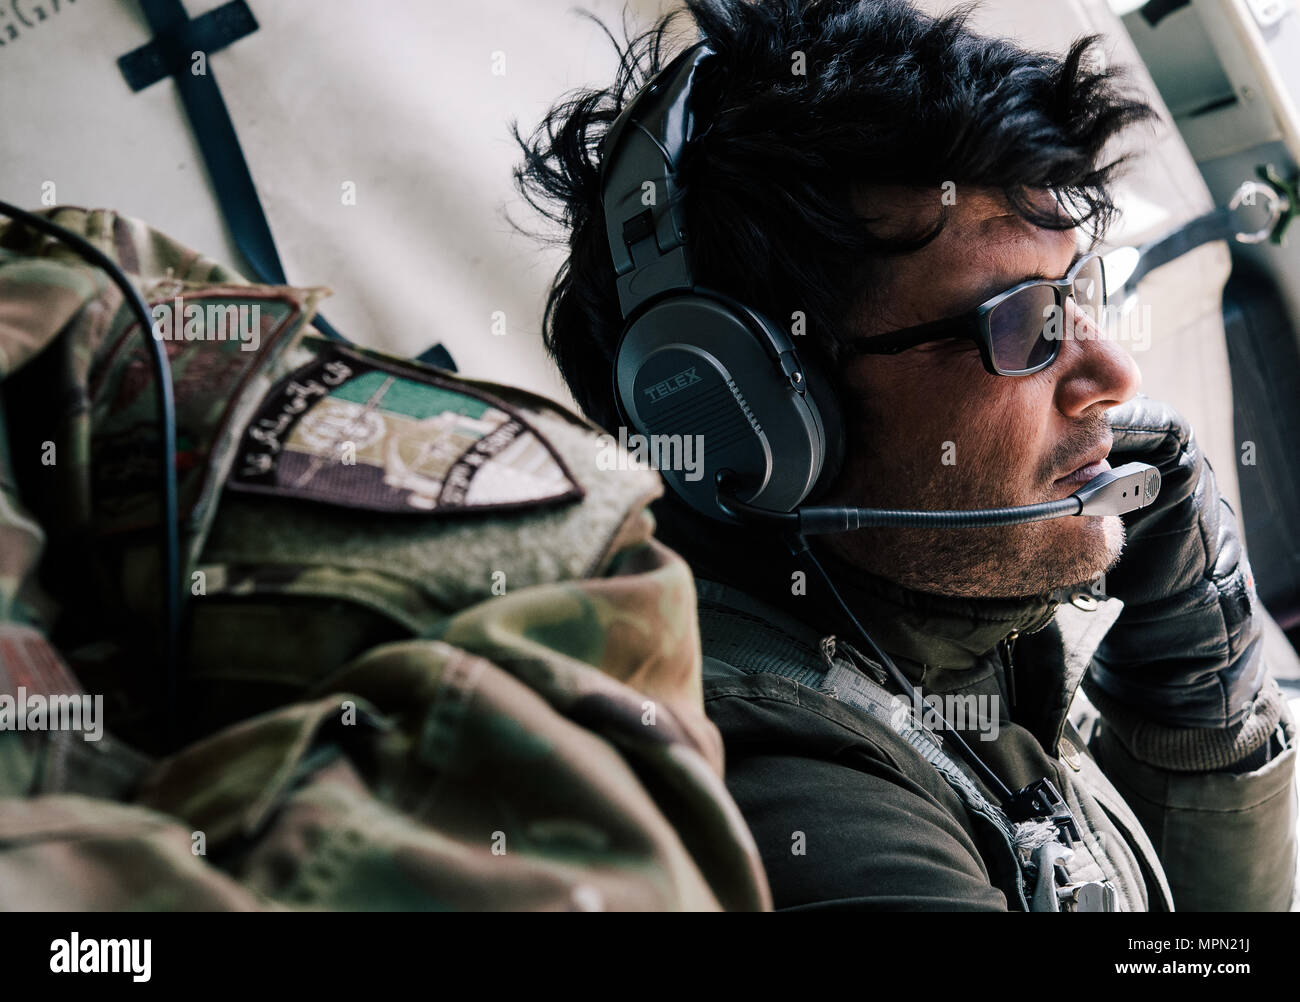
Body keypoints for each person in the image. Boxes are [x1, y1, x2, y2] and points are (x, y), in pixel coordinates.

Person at [514, 0, 1298, 910]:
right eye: (1019, 323)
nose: (1113, 373)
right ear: (760, 411)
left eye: (1078, 288)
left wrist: (1195, 682)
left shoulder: (951, 603)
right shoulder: (780, 801)